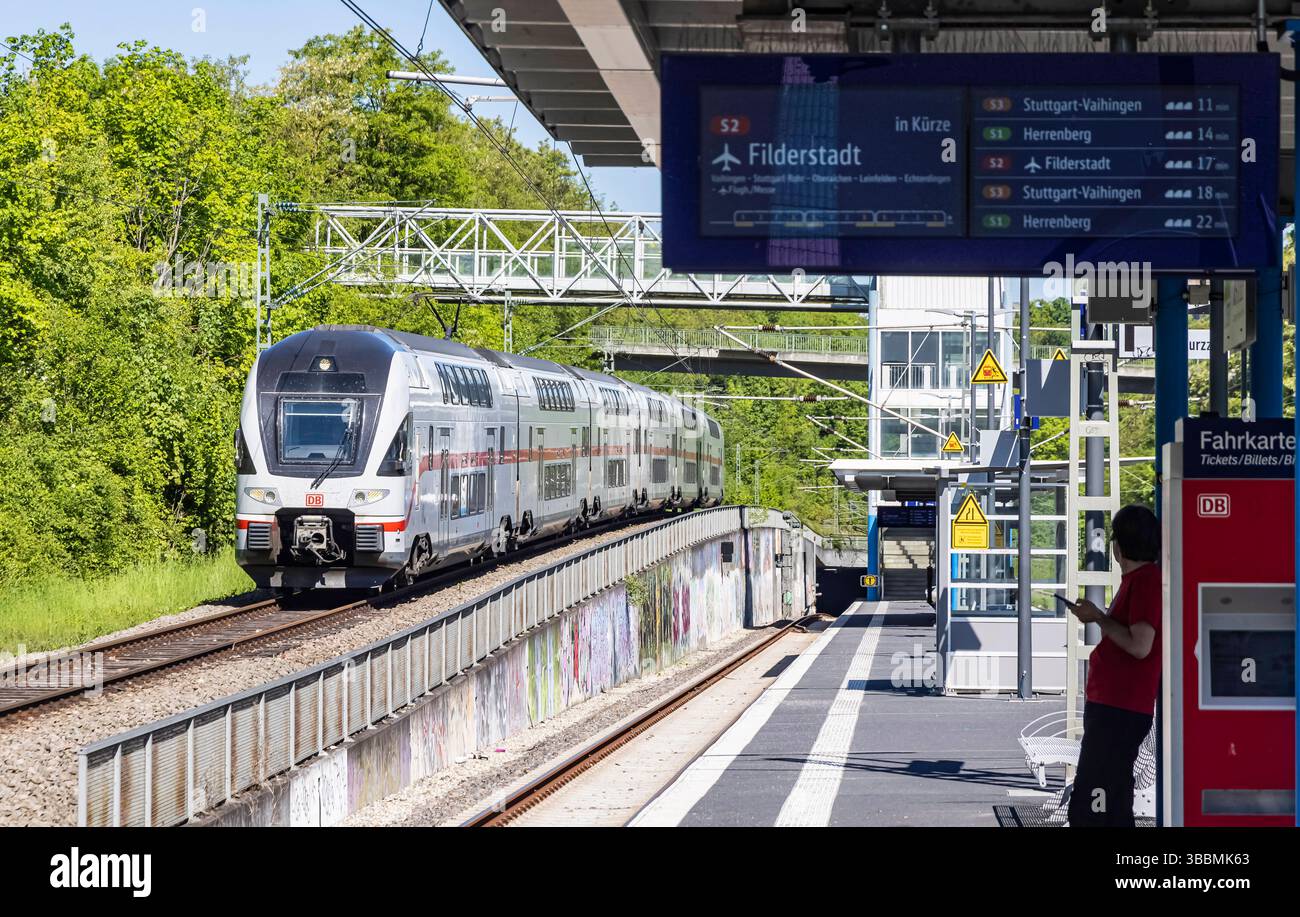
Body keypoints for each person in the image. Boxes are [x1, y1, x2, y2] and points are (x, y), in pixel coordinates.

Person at [1066, 504, 1161, 827]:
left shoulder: (1146, 581)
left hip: (1120, 709)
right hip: (1116, 707)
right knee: (1110, 795)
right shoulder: (1139, 580)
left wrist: (1098, 618)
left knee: (1095, 801)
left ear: (1117, 547)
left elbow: (1140, 644)